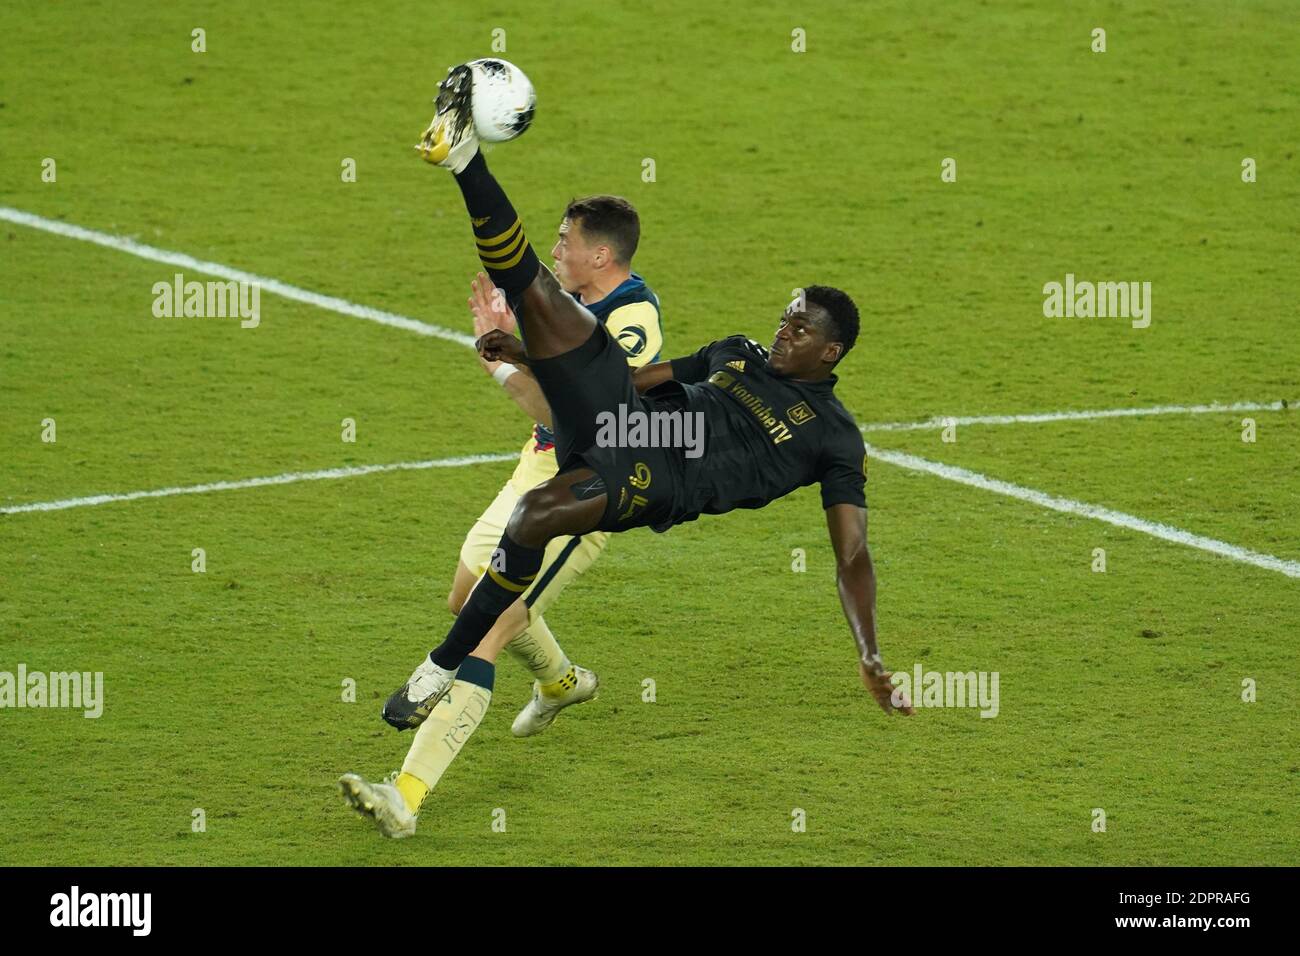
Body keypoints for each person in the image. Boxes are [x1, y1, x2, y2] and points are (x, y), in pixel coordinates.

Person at [339, 64, 911, 839]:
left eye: (800, 329)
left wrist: (870, 653)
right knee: (537, 292)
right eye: (785, 317)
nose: (782, 332)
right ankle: (465, 156)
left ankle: (410, 780)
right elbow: (643, 377)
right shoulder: (739, 351)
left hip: (664, 473)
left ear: (832, 351)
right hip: (626, 421)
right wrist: (544, 359)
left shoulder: (834, 437)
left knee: (534, 521)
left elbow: (851, 556)